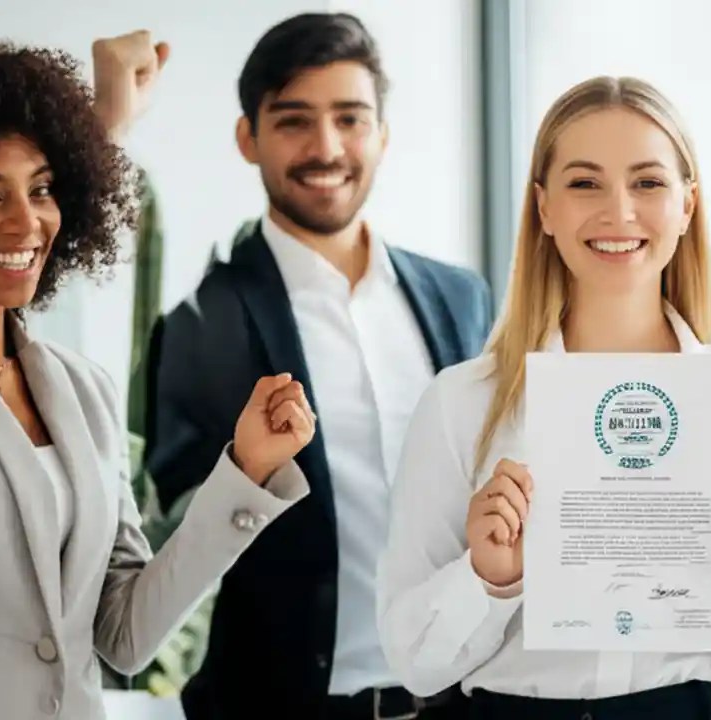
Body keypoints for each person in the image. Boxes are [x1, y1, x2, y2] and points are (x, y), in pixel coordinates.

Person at [376, 76, 711, 720]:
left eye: (648, 182)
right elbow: (413, 658)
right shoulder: (462, 404)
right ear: (544, 208)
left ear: (687, 205)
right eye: (585, 182)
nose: (619, 212)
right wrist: (488, 577)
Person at [0, 38, 314, 720]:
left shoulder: (82, 389)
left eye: (42, 189)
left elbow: (125, 636)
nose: (26, 222)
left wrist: (245, 472)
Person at [125, 13, 493, 720]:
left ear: (382, 134)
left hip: (465, 703)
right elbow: (175, 545)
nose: (326, 148)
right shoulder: (203, 326)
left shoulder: (461, 298)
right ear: (248, 139)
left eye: (350, 119)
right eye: (294, 121)